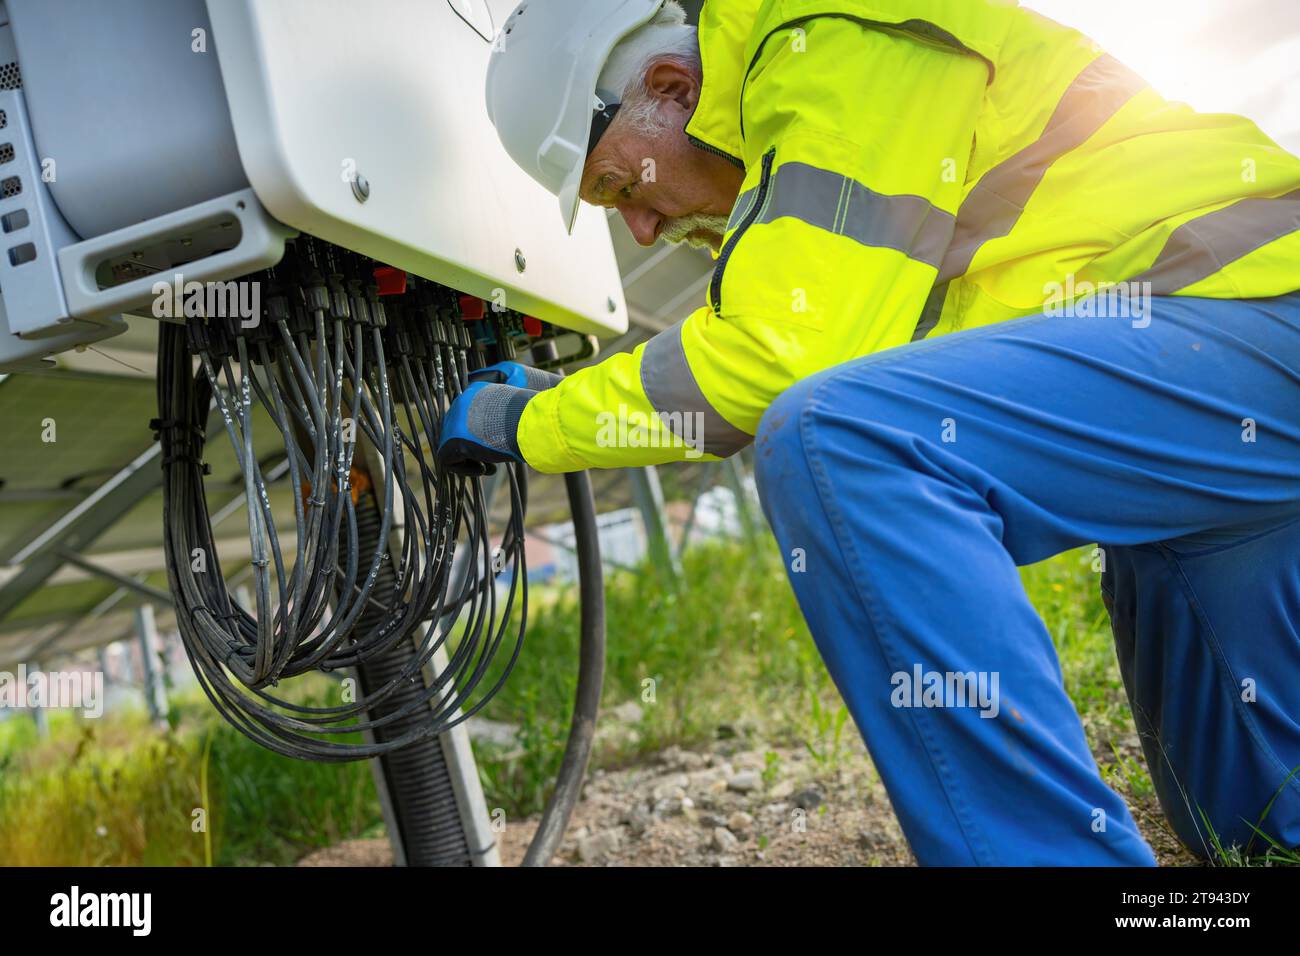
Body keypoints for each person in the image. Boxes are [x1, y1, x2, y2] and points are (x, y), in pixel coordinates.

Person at [437, 0, 1300, 865]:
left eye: (622, 187)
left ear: (672, 87)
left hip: (1253, 330)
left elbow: (777, 361)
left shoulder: (825, 36)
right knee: (1251, 833)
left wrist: (533, 421)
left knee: (836, 442)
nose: (642, 228)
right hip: (1225, 414)